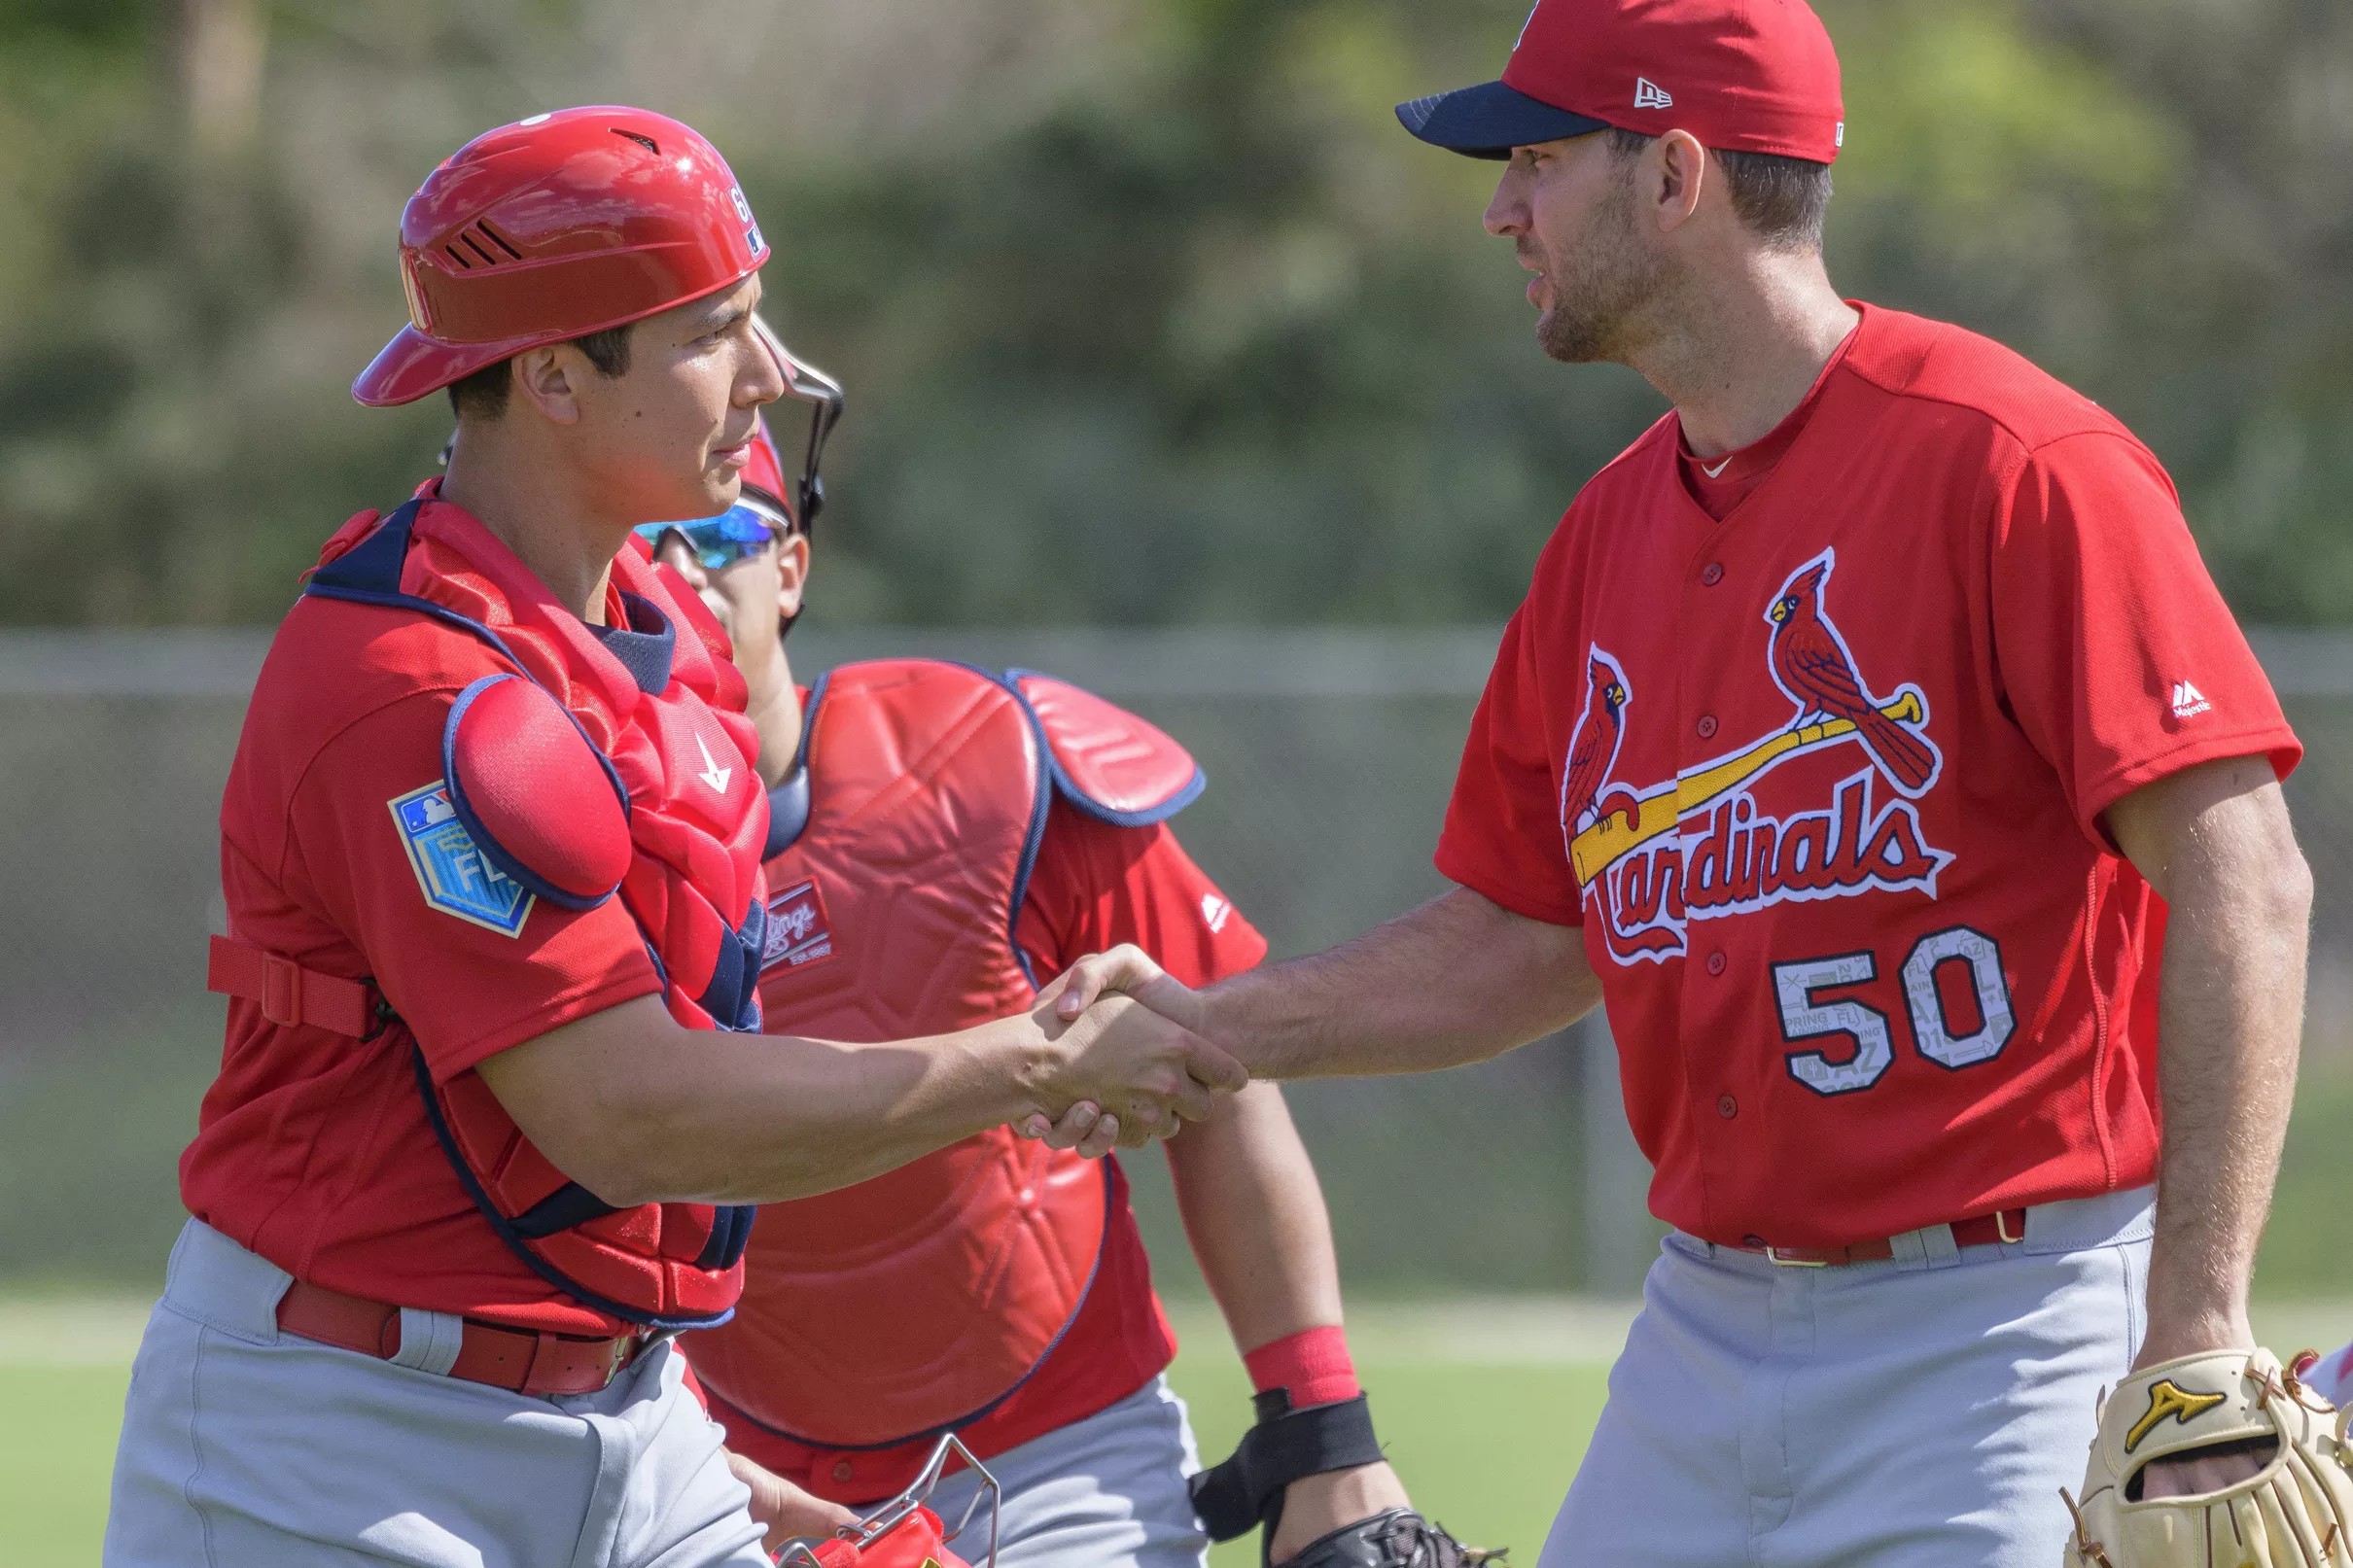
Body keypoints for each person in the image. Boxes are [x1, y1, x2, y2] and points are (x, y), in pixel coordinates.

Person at [1047, 2, 2315, 1563]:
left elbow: (2249, 878)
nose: (1503, 206)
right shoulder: (1604, 541)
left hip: (2010, 1318)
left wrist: (2195, 1334)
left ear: (1676, 179)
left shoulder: (2015, 465)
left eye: (1539, 159)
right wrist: (1211, 1026)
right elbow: (1525, 937)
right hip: (1705, 1322)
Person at [103, 106, 1241, 1568]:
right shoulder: (403, 686)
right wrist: (1031, 1062)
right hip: (345, 1441)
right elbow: (625, 1114)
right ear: (557, 376)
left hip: (625, 1410)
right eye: (718, 332)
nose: (772, 373)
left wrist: (638, 1443)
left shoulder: (658, 627)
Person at [633, 384, 1477, 1568]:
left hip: (1056, 1456)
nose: (685, 569)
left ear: (790, 567)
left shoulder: (990, 769)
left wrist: (1321, 1429)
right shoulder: (556, 849)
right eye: (645, 539)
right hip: (720, 1470)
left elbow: (1215, 1069)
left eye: (724, 533)